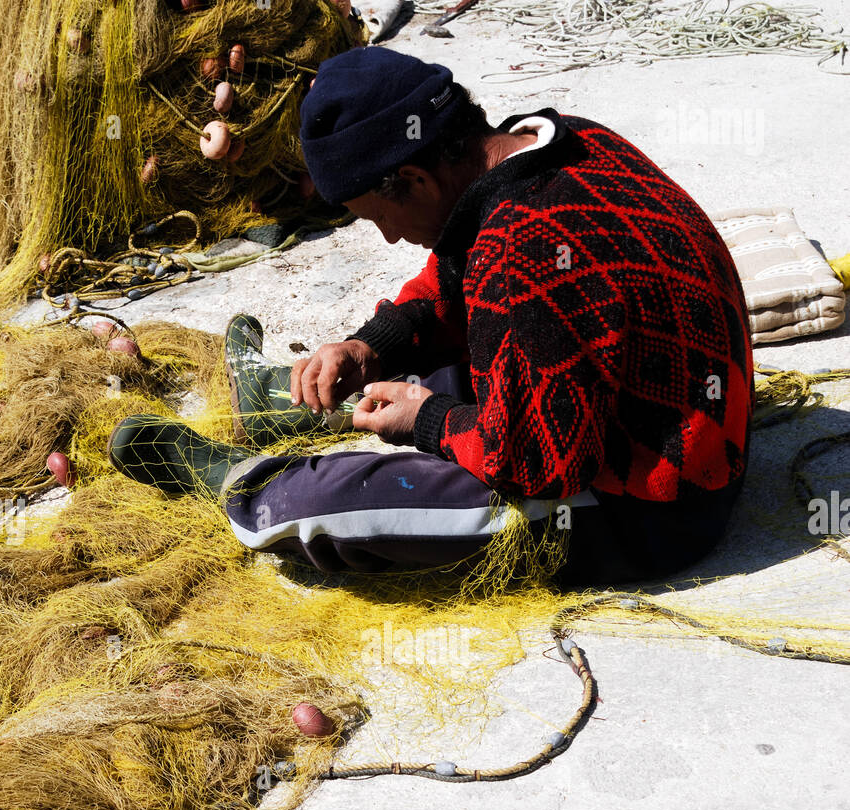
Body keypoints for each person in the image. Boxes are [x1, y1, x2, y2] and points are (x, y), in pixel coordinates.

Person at [108, 47, 754, 581]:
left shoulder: (522, 254)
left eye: (376, 217)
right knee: (462, 359)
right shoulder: (562, 140)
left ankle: (249, 486)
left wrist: (431, 423)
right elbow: (461, 272)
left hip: (653, 504)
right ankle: (281, 401)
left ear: (415, 179)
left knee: (332, 504)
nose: (388, 238)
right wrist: (372, 346)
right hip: (648, 395)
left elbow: (538, 464)